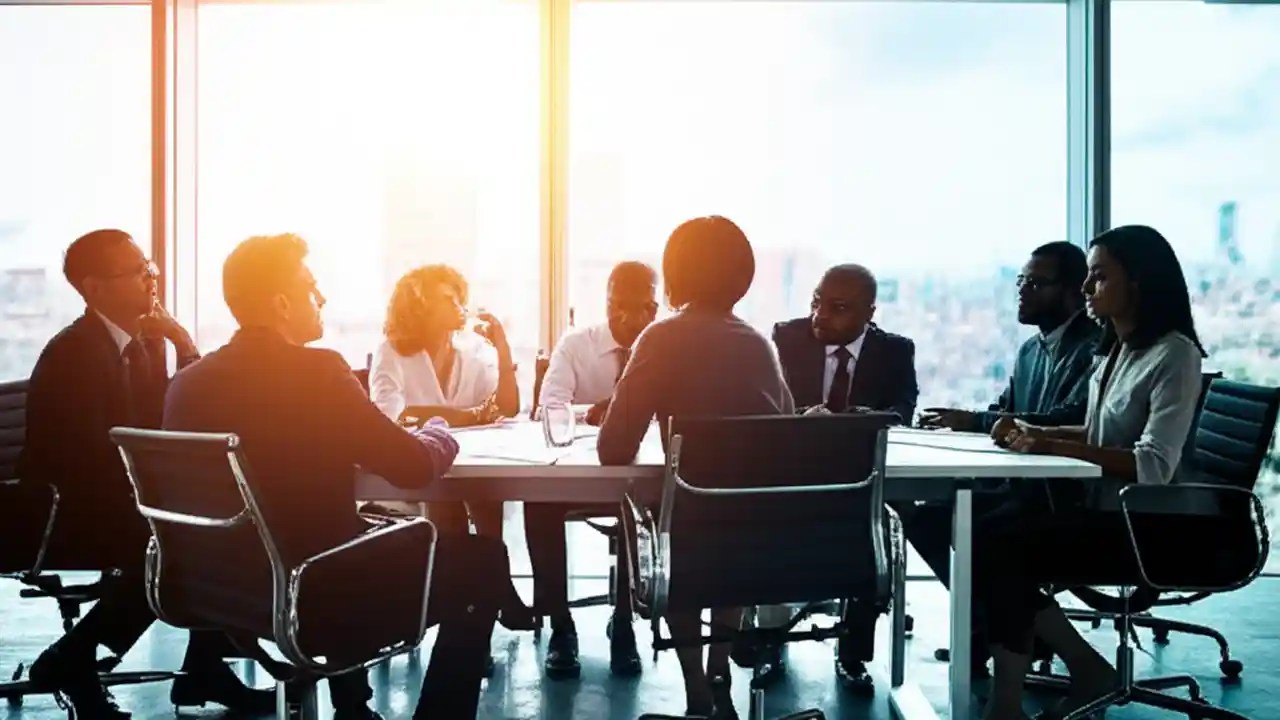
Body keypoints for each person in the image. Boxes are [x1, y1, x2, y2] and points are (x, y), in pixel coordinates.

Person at [163, 233, 522, 720]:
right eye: (312, 288)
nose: (323, 298)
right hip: (317, 591)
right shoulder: (317, 372)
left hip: (220, 594)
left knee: (333, 533)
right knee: (483, 564)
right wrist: (438, 431)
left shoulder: (187, 385)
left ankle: (354, 706)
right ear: (283, 302)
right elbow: (412, 467)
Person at [979, 226, 1258, 720]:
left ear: (1140, 283)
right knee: (985, 529)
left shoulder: (1175, 353)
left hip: (1164, 527)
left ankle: (1015, 703)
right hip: (1115, 511)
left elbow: (1152, 464)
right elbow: (1097, 433)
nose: (1086, 289)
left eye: (1099, 277)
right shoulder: (1117, 349)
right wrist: (1034, 432)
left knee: (1004, 545)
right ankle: (1075, 674)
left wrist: (1046, 442)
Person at [19, 229, 273, 719]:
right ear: (94, 288)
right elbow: (88, 457)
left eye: (149, 267)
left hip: (116, 497)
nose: (150, 278)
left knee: (221, 528)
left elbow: (177, 424)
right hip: (61, 509)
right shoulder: (74, 352)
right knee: (186, 544)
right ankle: (73, 657)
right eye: (136, 272)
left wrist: (182, 344)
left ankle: (202, 666)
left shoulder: (147, 345)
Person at [598, 216, 795, 719]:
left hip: (685, 536)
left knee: (682, 526)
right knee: (729, 534)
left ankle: (696, 692)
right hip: (761, 538)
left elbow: (613, 449)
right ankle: (719, 671)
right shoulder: (760, 344)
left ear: (675, 275)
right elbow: (790, 433)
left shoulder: (661, 338)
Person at [910, 242, 1100, 673]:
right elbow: (1007, 410)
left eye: (1036, 282)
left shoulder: (1094, 348)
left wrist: (976, 421)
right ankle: (998, 631)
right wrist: (965, 421)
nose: (1023, 291)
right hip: (1022, 484)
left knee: (983, 535)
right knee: (926, 519)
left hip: (1062, 493)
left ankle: (1008, 635)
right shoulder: (1031, 350)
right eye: (1021, 281)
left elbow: (1066, 419)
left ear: (1073, 291)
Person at [767, 262, 918, 690]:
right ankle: (769, 642)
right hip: (793, 471)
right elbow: (767, 406)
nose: (819, 315)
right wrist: (802, 416)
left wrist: (861, 420)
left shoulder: (895, 350)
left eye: (837, 307)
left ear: (869, 313)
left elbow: (902, 411)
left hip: (860, 473)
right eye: (816, 302)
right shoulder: (788, 337)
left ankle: (852, 653)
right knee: (764, 520)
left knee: (871, 525)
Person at [525, 260, 658, 679]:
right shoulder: (577, 344)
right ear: (607, 302)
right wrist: (594, 416)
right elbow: (548, 406)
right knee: (538, 500)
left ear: (656, 308)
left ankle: (624, 620)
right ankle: (560, 623)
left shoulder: (665, 346)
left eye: (644, 308)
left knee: (639, 508)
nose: (631, 318)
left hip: (635, 477)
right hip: (578, 474)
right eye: (620, 306)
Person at [368, 264, 517, 539]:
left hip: (471, 467)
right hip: (414, 470)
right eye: (448, 300)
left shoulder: (474, 350)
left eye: (459, 298)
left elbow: (505, 410)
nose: (459, 305)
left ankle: (491, 572)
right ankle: (450, 577)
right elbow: (396, 417)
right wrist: (470, 417)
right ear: (420, 307)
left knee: (488, 495)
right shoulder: (391, 352)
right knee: (447, 502)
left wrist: (503, 352)